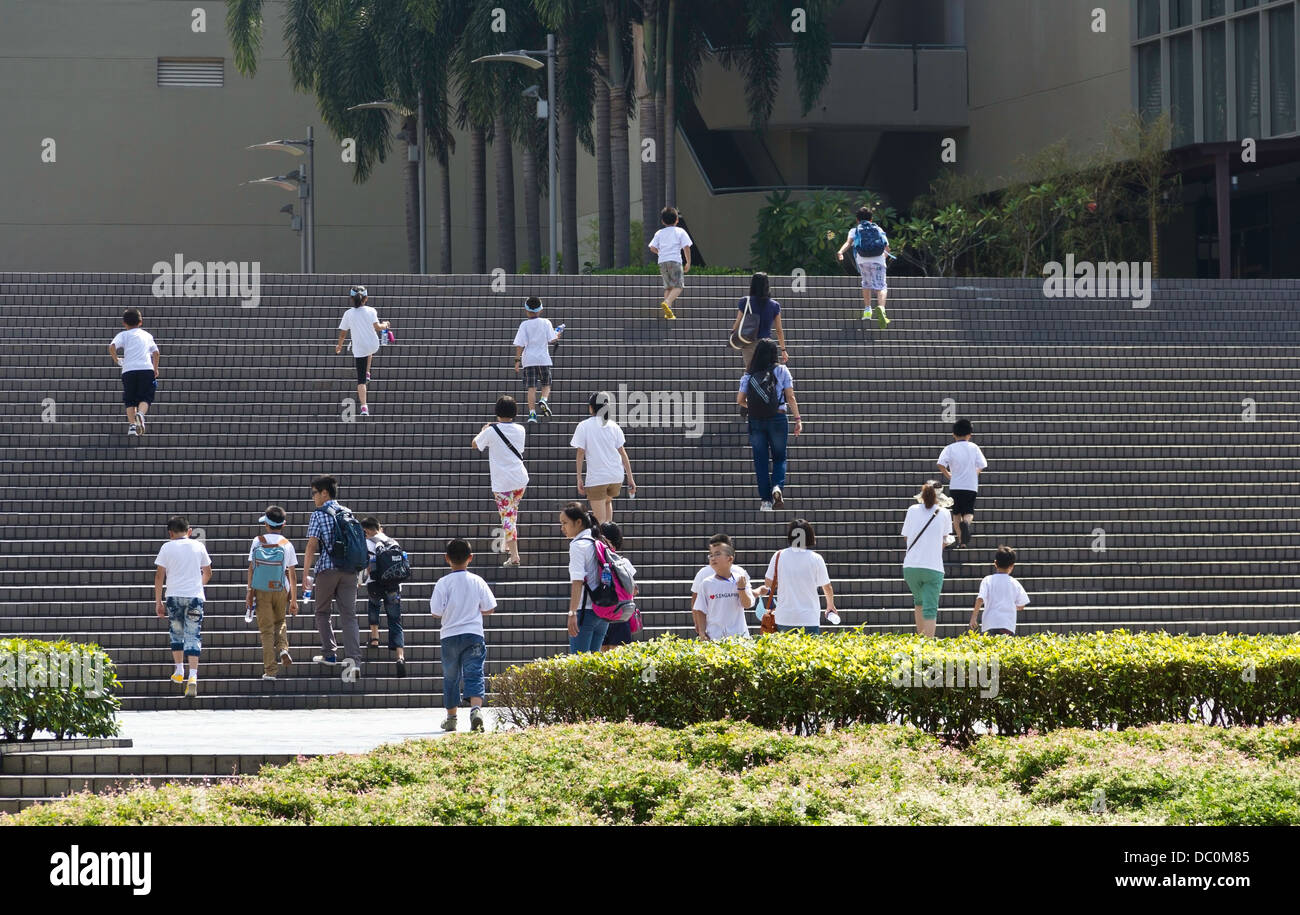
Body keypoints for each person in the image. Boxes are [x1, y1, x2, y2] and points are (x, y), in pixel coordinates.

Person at [429, 538, 496, 732]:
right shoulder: (477, 580)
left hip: (449, 635)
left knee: (451, 676)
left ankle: (451, 718)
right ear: (470, 558)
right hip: (474, 634)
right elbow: (490, 608)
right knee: (474, 673)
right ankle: (476, 710)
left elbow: (436, 612)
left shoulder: (443, 582)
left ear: (447, 558)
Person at [303, 475, 362, 670]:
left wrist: (305, 574)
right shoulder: (348, 512)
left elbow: (312, 545)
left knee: (322, 612)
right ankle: (354, 662)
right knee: (349, 615)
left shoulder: (319, 514)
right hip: (349, 571)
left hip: (327, 569)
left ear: (324, 493)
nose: (313, 497)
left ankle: (329, 654)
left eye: (314, 493)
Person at [737, 339, 803, 511]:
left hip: (756, 420)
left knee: (760, 462)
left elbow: (740, 400)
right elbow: (791, 397)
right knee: (780, 457)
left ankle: (766, 501)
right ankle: (777, 488)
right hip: (778, 419)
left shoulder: (749, 374)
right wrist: (797, 419)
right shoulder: (782, 370)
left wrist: (756, 407)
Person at [153, 516, 211, 697]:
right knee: (193, 634)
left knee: (176, 632)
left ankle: (179, 671)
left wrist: (158, 602)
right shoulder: (199, 546)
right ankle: (193, 676)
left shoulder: (166, 547)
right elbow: (208, 572)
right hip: (194, 597)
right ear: (190, 531)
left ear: (170, 533)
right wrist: (197, 586)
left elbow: (159, 576)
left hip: (174, 597)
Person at [245, 506, 299, 681]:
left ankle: (270, 671)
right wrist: (294, 600)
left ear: (266, 524)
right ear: (283, 524)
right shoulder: (287, 544)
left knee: (267, 631)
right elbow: (292, 573)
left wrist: (249, 592)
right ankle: (283, 648)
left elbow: (252, 568)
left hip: (261, 589)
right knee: (281, 620)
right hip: (281, 587)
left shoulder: (258, 541)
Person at [473, 396, 529, 566]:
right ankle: (507, 544)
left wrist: (483, 430)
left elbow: (475, 444)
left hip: (502, 483)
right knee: (512, 513)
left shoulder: (491, 431)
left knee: (508, 518)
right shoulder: (520, 429)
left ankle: (514, 557)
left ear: (497, 412)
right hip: (520, 480)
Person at [571, 392, 637, 524]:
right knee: (607, 505)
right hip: (615, 476)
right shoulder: (614, 426)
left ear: (591, 408)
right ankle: (610, 542)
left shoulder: (584, 426)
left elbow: (580, 453)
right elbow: (623, 453)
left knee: (599, 520)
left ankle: (603, 543)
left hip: (597, 478)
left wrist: (579, 477)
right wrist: (630, 478)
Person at [760, 519, 835, 634]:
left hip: (784, 617)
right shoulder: (816, 558)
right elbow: (827, 586)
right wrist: (830, 605)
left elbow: (768, 583)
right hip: (809, 618)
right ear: (809, 536)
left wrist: (786, 582)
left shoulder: (779, 555)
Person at [902, 480, 954, 638]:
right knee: (930, 608)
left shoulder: (912, 509)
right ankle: (928, 645)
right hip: (932, 566)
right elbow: (944, 540)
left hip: (911, 566)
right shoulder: (944, 513)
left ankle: (921, 641)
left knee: (919, 602)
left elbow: (906, 537)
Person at [335, 285, 392, 418]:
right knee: (369, 351)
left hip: (359, 349)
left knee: (361, 382)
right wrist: (386, 324)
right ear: (366, 298)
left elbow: (343, 334)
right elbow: (378, 327)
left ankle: (364, 407)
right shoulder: (371, 311)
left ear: (351, 299)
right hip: (373, 345)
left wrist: (339, 346)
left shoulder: (348, 314)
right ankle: (368, 371)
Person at [561, 503, 611, 653]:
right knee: (592, 666)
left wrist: (572, 612)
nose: (562, 527)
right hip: (602, 612)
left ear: (578, 522)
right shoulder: (599, 541)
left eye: (565, 523)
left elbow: (578, 581)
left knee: (579, 665)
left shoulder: (577, 545)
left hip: (585, 613)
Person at [360, 517, 406, 676]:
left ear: (365, 530)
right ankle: (400, 656)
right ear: (379, 527)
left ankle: (374, 638)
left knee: (373, 605)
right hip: (393, 585)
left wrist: (360, 580)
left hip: (374, 584)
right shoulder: (393, 542)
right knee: (395, 619)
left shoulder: (366, 543)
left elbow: (365, 565)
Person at [836, 206, 892, 329]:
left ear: (857, 220)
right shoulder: (878, 229)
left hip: (863, 261)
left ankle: (867, 311)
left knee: (866, 283)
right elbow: (887, 249)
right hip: (878, 260)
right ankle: (881, 308)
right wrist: (882, 258)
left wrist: (840, 252)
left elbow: (848, 243)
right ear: (871, 219)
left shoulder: (855, 230)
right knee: (881, 285)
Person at [937, 418, 988, 551]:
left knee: (956, 514)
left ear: (954, 434)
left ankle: (961, 541)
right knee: (968, 511)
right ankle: (966, 523)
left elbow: (940, 463)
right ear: (969, 435)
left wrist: (948, 475)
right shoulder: (974, 447)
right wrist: (975, 473)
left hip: (955, 485)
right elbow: (983, 464)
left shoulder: (950, 448)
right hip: (970, 486)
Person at [108, 308, 160, 437]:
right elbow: (156, 352)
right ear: (140, 322)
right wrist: (155, 368)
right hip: (146, 369)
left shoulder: (123, 335)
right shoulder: (147, 335)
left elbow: (112, 346)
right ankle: (140, 415)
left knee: (130, 399)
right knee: (146, 396)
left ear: (124, 323)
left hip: (129, 370)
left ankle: (132, 426)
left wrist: (117, 360)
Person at [512, 296, 564, 424]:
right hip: (543, 359)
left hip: (528, 360)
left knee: (531, 388)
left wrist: (517, 361)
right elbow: (552, 340)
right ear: (541, 310)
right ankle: (544, 400)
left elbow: (520, 344)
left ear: (526, 310)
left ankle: (532, 414)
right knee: (546, 384)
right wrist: (557, 334)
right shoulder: (546, 322)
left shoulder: (524, 325)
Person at [692, 541, 756, 641]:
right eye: (711, 555)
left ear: (730, 558)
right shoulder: (706, 583)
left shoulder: (740, 579)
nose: (713, 558)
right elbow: (700, 610)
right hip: (715, 637)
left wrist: (741, 589)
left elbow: (747, 604)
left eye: (717, 554)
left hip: (739, 638)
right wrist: (702, 633)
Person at [730, 272, 787, 368]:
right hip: (766, 344)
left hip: (749, 343)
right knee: (766, 372)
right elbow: (779, 330)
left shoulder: (745, 301)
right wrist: (783, 350)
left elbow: (737, 323)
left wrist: (733, 334)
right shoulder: (774, 305)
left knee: (750, 372)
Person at [970, 545, 1030, 636]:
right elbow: (1022, 605)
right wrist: (1011, 606)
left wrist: (974, 617)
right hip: (1007, 624)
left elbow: (980, 598)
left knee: (990, 647)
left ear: (995, 563)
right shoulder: (1014, 583)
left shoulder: (988, 580)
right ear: (1012, 566)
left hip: (990, 623)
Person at [599, 522, 639, 650]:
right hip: (621, 615)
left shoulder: (597, 563)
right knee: (618, 659)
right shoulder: (623, 562)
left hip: (602, 614)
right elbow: (634, 590)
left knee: (601, 658)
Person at [648, 206, 693, 320]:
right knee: (678, 286)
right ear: (677, 220)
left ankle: (668, 313)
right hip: (675, 261)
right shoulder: (680, 231)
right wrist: (688, 262)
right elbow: (686, 247)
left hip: (662, 262)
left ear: (662, 221)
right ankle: (667, 303)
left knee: (668, 287)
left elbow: (652, 247)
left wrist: (660, 253)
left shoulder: (659, 233)